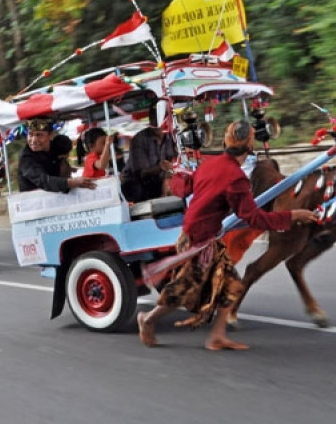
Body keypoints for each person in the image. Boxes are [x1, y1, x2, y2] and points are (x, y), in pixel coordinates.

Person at [137, 120, 320, 351]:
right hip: (202, 241)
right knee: (184, 291)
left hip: (202, 236)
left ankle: (216, 336)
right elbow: (254, 218)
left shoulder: (209, 164)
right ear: (250, 147)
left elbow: (189, 190)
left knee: (232, 285)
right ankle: (148, 319)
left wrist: (185, 225)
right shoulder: (236, 178)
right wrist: (292, 215)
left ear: (225, 142)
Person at [18, 118, 95, 192]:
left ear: (51, 135)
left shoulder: (55, 148)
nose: (34, 140)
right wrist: (73, 182)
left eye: (39, 135)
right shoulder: (26, 158)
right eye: (30, 135)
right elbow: (44, 181)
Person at [121, 106, 178, 202]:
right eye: (155, 119)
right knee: (136, 188)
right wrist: (161, 167)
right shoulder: (139, 139)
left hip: (162, 179)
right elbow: (141, 174)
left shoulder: (172, 135)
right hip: (138, 184)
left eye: (162, 119)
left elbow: (176, 159)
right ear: (150, 119)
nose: (158, 123)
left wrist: (168, 176)